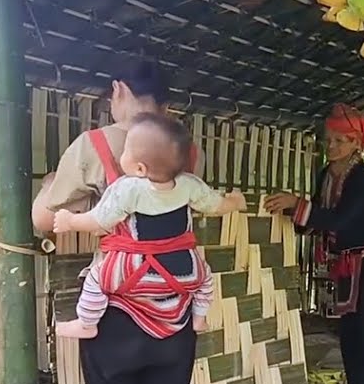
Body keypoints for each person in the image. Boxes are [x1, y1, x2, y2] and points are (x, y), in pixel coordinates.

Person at [32, 60, 205, 384]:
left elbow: (44, 220)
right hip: (174, 312)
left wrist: (51, 186)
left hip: (115, 313)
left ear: (120, 90)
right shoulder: (183, 148)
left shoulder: (96, 145)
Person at [264, 104, 364, 384]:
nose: (332, 146)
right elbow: (318, 216)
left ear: (356, 143)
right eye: (329, 140)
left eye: (340, 141)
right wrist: (292, 212)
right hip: (345, 265)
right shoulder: (327, 175)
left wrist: (297, 205)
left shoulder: (363, 179)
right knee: (350, 333)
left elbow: (339, 220)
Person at [52, 113, 246, 339]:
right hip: (185, 274)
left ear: (140, 169)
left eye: (126, 150)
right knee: (206, 279)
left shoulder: (129, 189)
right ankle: (199, 318)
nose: (122, 154)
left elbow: (99, 220)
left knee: (96, 279)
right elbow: (217, 205)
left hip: (134, 273)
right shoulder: (190, 185)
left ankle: (87, 324)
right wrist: (235, 202)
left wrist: (69, 221)